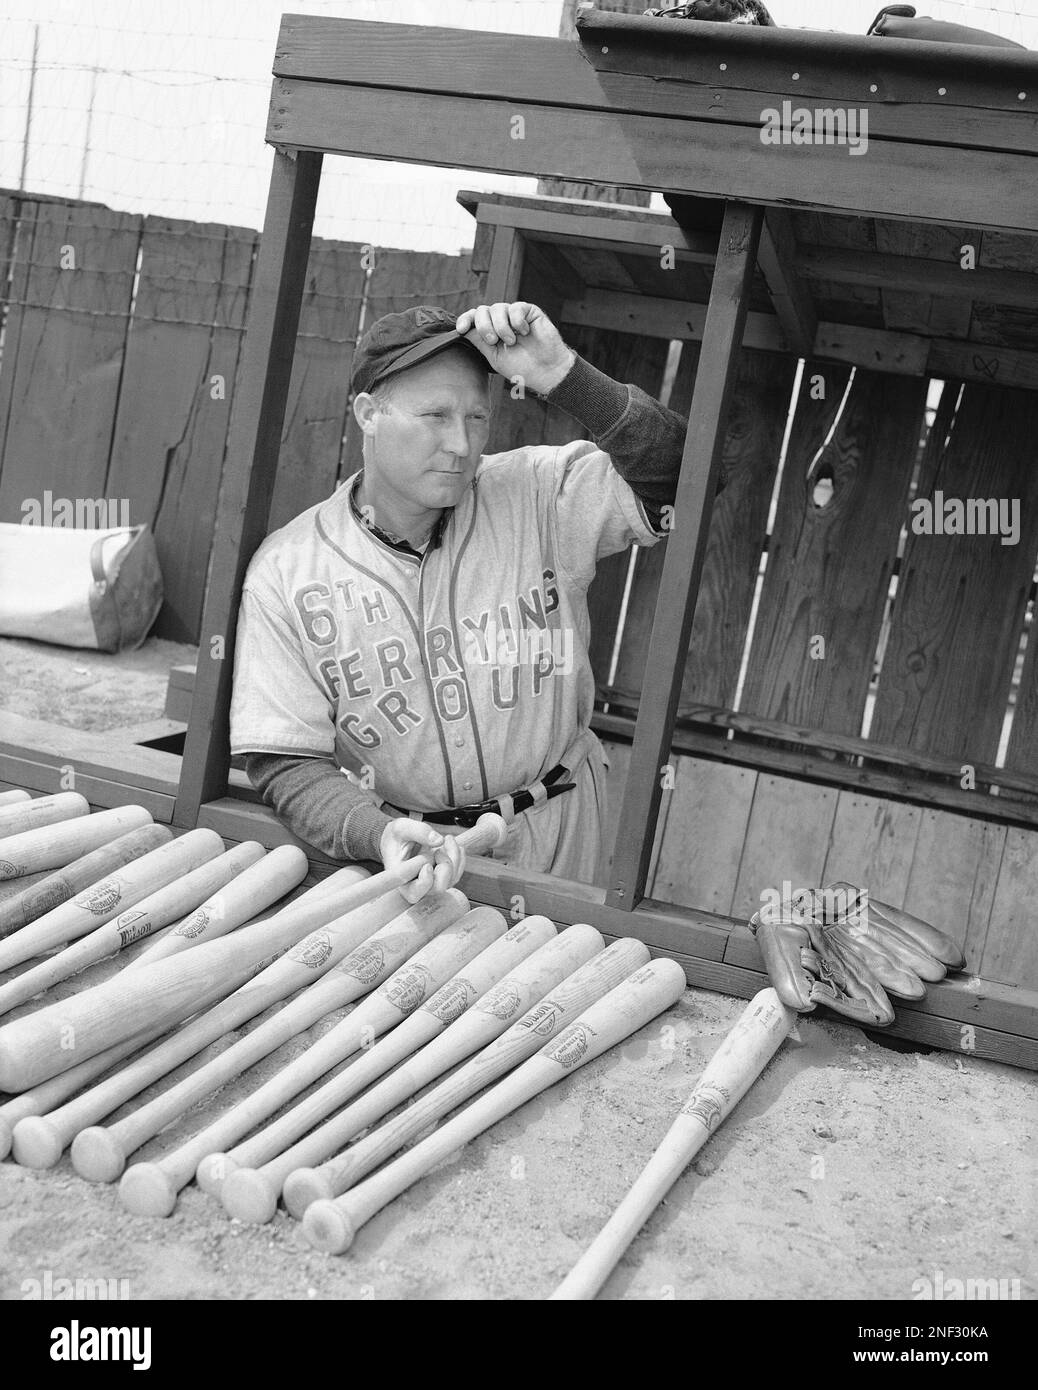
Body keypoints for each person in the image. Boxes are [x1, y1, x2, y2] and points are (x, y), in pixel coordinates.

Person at [230, 300, 691, 901]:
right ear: (368, 414)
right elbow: (285, 761)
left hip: (561, 820)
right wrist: (376, 833)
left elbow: (687, 478)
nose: (460, 444)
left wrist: (563, 374)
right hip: (415, 851)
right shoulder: (287, 572)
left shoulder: (538, 492)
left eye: (476, 417)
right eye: (435, 415)